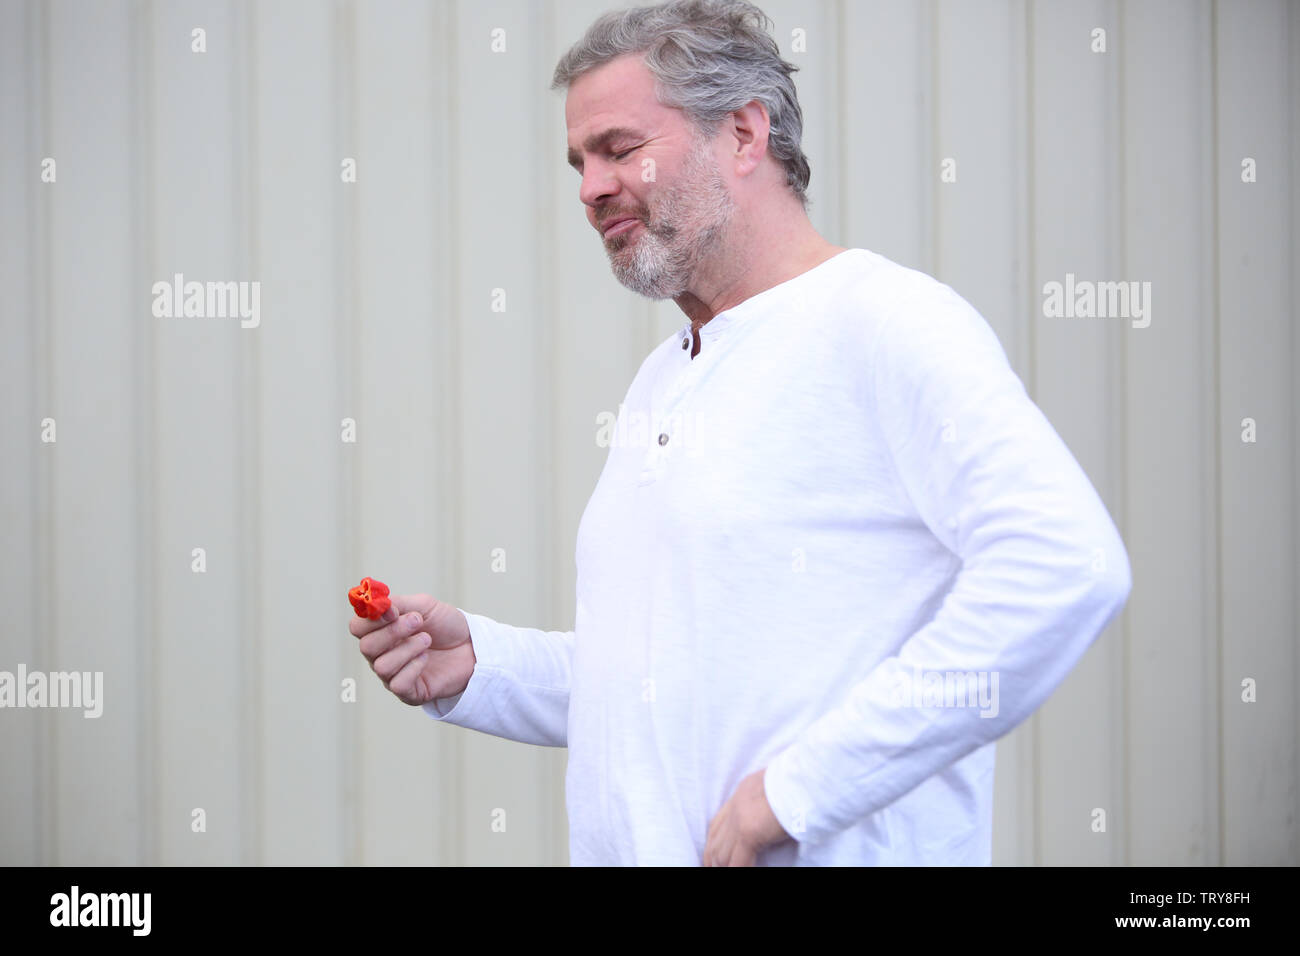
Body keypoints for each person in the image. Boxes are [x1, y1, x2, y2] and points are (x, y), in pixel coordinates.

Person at [350, 0, 1132, 866]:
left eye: (619, 147)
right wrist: (486, 667)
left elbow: (1065, 565)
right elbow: (675, 680)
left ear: (745, 135)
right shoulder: (665, 376)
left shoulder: (883, 321)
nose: (589, 188)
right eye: (578, 163)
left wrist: (801, 793)